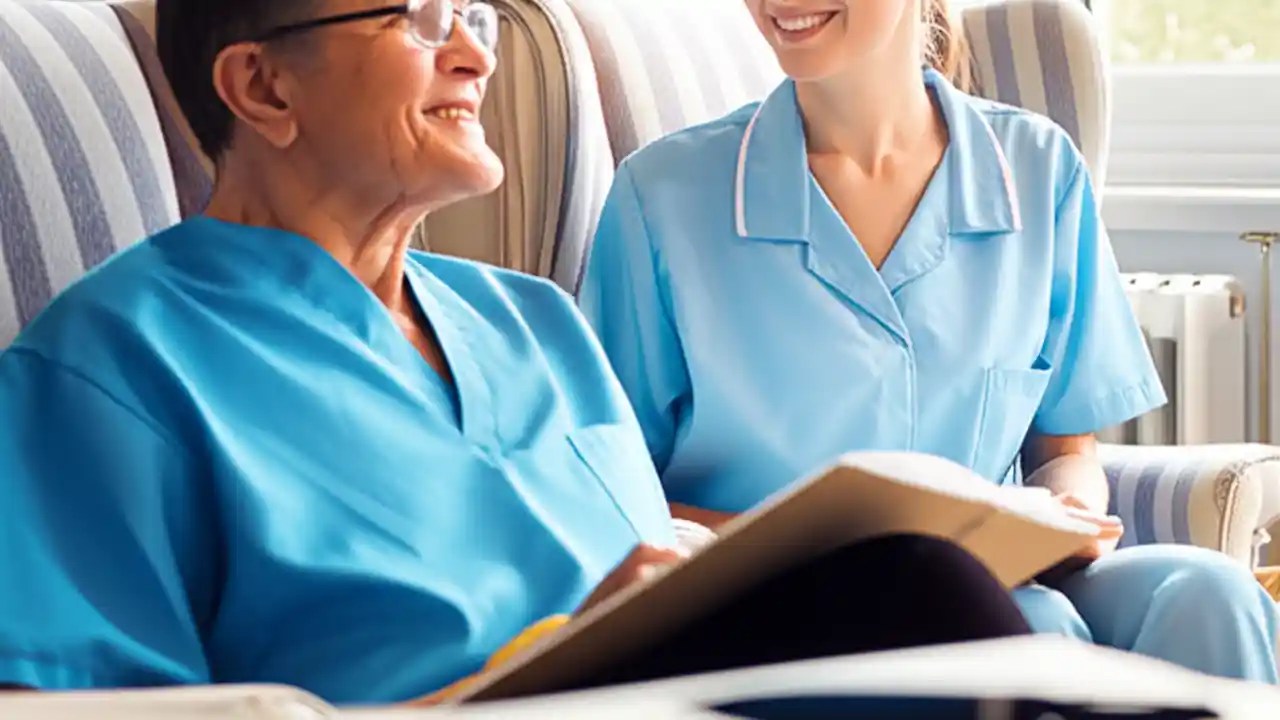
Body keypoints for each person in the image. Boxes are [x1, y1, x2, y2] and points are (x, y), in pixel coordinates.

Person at [0, 0, 1034, 706]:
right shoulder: (110, 367)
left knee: (912, 592)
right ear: (264, 87)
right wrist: (548, 667)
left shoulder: (536, 323)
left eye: (475, 17)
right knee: (906, 591)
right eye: (418, 18)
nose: (474, 53)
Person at [579, 0, 1280, 684]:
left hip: (1006, 574)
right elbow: (607, 491)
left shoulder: (1037, 169)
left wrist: (1064, 512)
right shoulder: (663, 197)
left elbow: (1067, 449)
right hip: (780, 604)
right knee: (1030, 629)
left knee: (1210, 594)